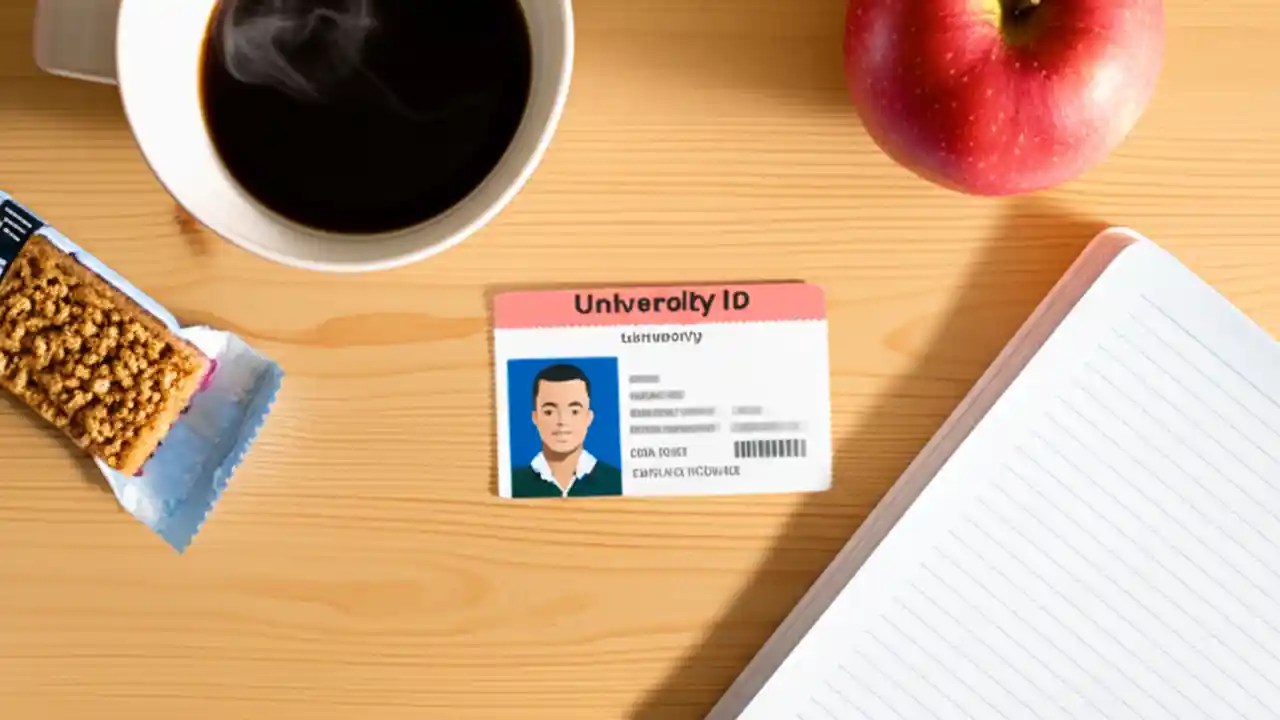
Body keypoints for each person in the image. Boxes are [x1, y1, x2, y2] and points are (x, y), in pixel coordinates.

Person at [511, 363, 621, 498]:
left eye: (574, 411)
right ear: (535, 418)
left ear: (589, 417)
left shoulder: (616, 482)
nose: (562, 421)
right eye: (549, 412)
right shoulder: (513, 485)